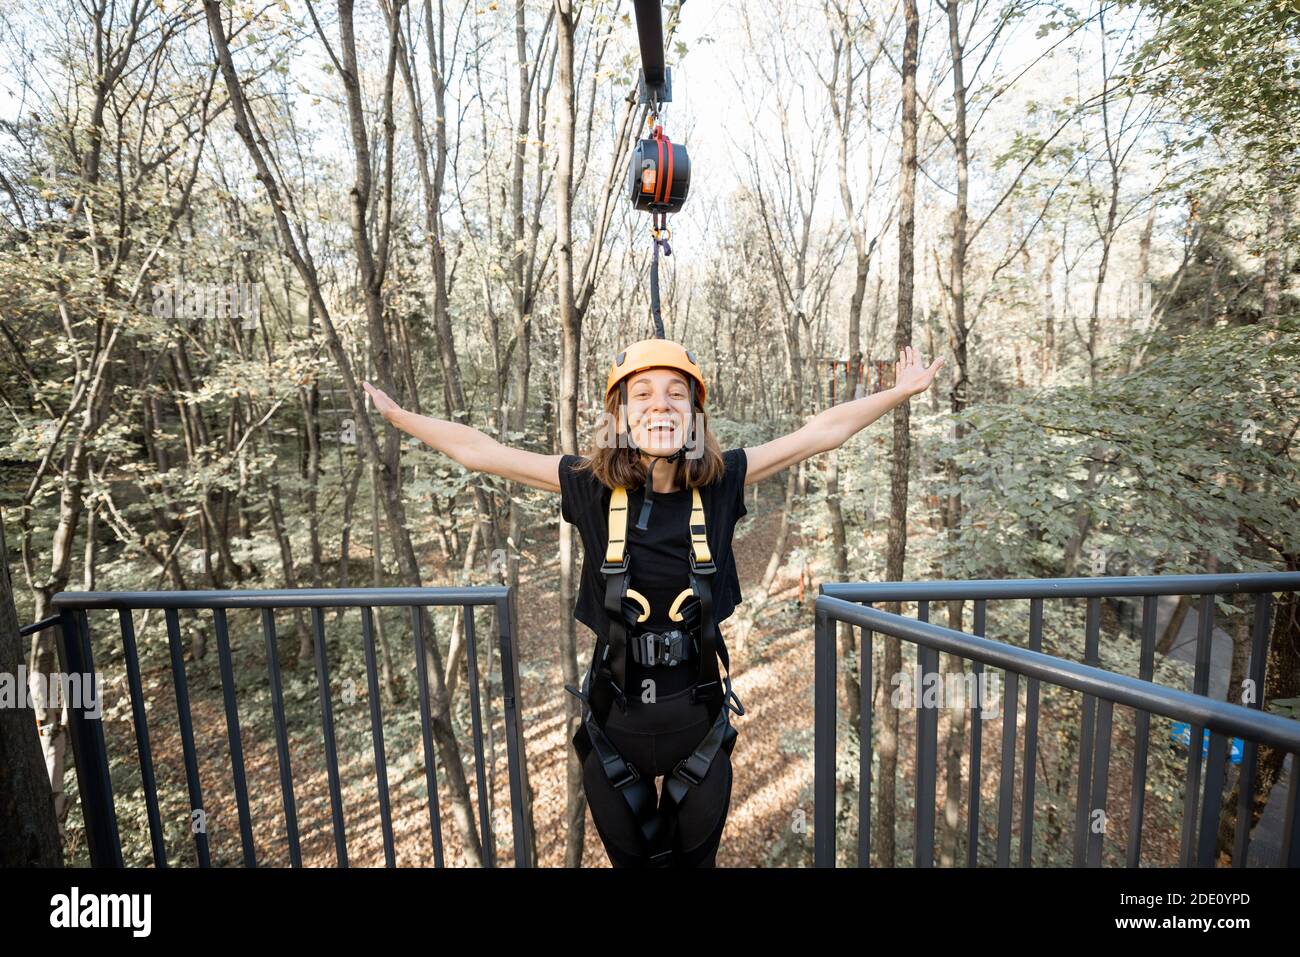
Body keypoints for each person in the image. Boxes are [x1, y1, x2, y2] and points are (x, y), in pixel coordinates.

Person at [363, 341, 943, 867]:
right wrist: (397, 416)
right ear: (618, 415)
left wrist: (900, 391)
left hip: (699, 725)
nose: (660, 405)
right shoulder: (588, 486)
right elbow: (480, 453)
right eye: (641, 393)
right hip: (616, 727)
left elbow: (821, 433)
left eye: (676, 393)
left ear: (694, 416)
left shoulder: (721, 482)